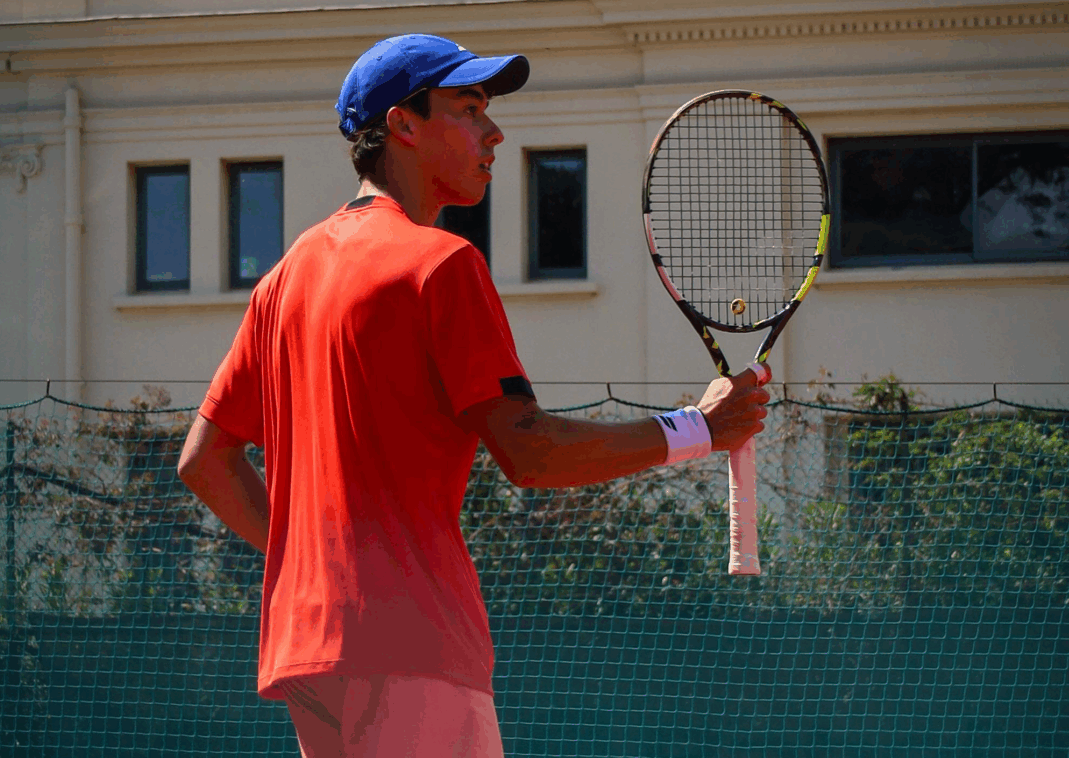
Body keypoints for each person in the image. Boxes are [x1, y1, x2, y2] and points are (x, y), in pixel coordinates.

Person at [177, 33, 770, 758]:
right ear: (404, 124)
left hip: (305, 655)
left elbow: (204, 461)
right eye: (468, 107)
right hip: (413, 644)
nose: (494, 131)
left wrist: (314, 564)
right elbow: (531, 451)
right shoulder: (442, 264)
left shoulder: (282, 280)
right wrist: (700, 429)